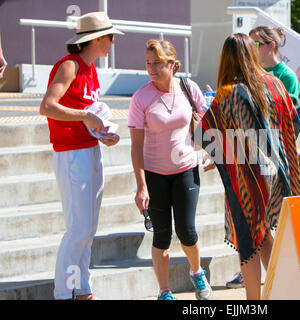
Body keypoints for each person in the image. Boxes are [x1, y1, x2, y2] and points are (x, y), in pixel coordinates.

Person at [199, 33, 300, 300]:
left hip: (246, 179)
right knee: (264, 232)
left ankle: (253, 302)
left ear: (226, 59)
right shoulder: (276, 84)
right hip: (279, 175)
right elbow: (295, 123)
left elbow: (203, 133)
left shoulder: (227, 93)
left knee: (248, 240)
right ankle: (284, 293)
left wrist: (221, 155)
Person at [39, 11, 122, 300]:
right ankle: (64, 292)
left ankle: (81, 288)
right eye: (110, 37)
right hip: (72, 154)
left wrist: (102, 133)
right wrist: (86, 116)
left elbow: (86, 114)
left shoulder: (88, 67)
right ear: (96, 39)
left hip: (87, 150)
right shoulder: (70, 66)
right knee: (79, 228)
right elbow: (47, 106)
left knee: (87, 228)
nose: (113, 43)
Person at [128, 39, 213, 300]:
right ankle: (164, 292)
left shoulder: (189, 87)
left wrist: (214, 152)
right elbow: (135, 146)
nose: (151, 69)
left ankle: (197, 272)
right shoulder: (141, 97)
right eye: (147, 64)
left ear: (173, 64)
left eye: (157, 63)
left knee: (187, 230)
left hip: (186, 168)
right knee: (161, 235)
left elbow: (209, 119)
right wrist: (141, 186)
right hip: (154, 175)